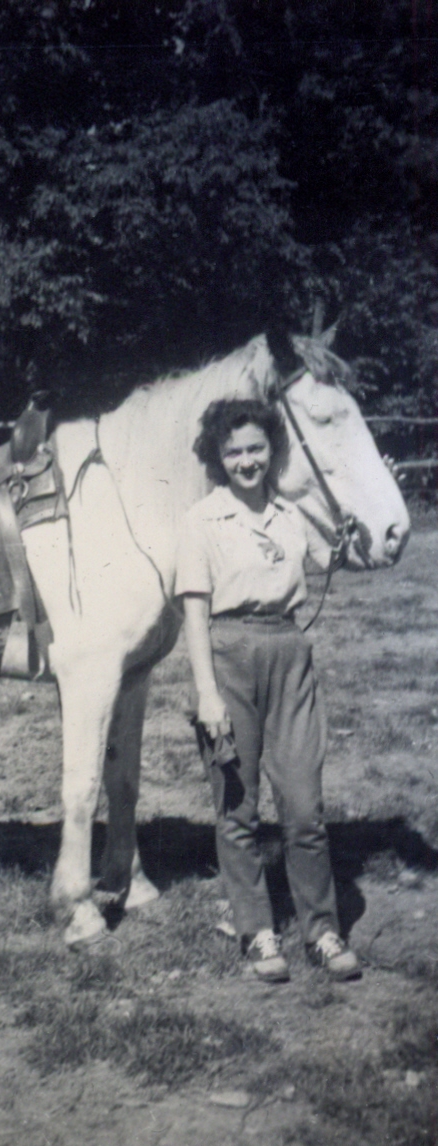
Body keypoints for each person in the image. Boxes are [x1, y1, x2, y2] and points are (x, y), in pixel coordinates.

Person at [175, 397, 360, 983]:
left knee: (304, 807)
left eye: (256, 448)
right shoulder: (201, 521)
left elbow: (343, 552)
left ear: (272, 450)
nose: (247, 461)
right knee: (239, 806)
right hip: (229, 657)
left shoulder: (291, 514)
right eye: (234, 452)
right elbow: (194, 615)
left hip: (288, 653)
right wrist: (206, 693)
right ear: (217, 457)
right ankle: (257, 931)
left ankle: (322, 930)